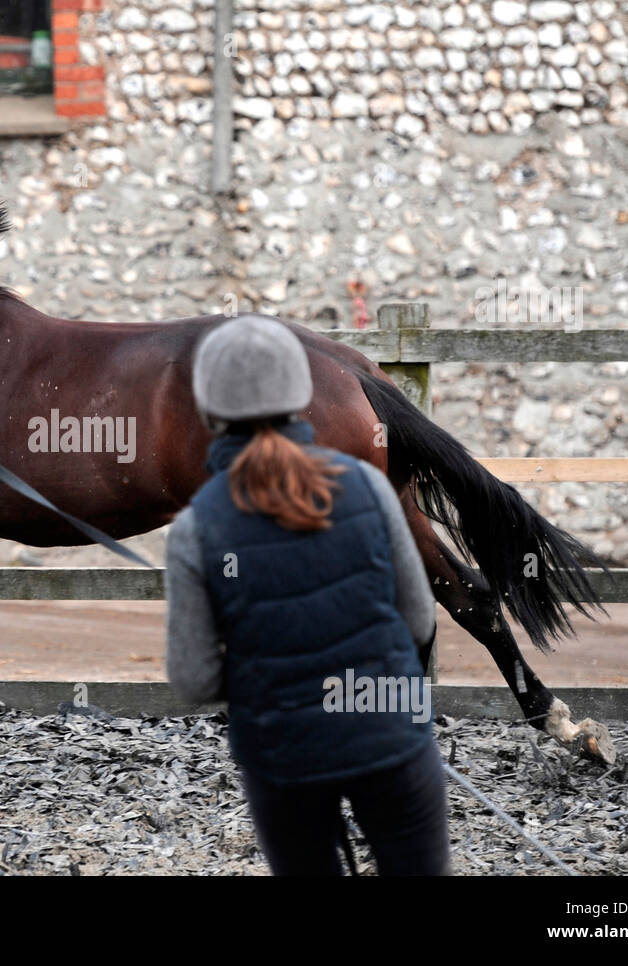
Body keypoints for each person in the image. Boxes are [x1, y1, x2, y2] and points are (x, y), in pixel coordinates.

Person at [164, 315, 450, 876]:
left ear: (209, 409)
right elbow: (418, 621)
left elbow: (193, 678)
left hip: (283, 755)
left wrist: (267, 676)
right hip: (390, 733)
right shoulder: (366, 483)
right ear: (299, 395)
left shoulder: (197, 528)